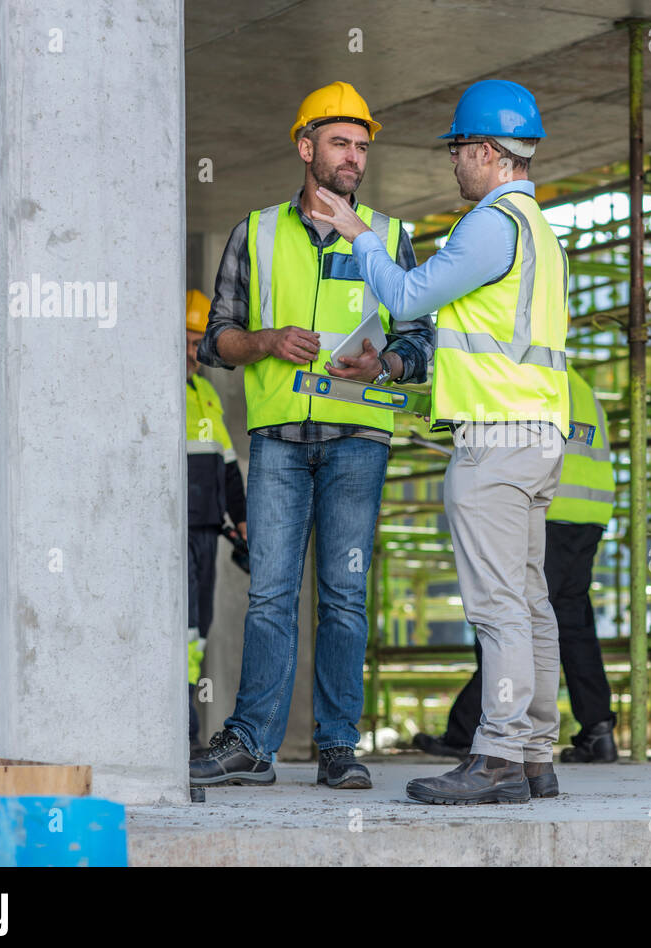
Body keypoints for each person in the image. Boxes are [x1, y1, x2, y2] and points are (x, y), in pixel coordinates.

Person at [312, 79, 570, 804]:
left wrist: (359, 236)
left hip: (495, 444)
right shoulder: (540, 234)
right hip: (534, 432)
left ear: (488, 152)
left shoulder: (492, 223)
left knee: (498, 607)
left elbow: (405, 297)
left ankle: (494, 756)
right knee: (529, 603)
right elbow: (487, 346)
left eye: (458, 150)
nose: (454, 163)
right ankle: (533, 757)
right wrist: (399, 372)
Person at [189, 81, 434, 788]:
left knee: (344, 597)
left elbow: (419, 341)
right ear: (306, 148)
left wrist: (382, 360)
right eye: (341, 143)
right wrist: (264, 340)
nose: (355, 157)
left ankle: (337, 748)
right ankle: (252, 746)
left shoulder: (388, 238)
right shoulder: (255, 232)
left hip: (359, 438)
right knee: (269, 595)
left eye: (362, 146)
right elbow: (216, 341)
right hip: (278, 440)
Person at [413, 367, 618, 767]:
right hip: (591, 513)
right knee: (570, 624)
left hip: (547, 508)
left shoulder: (531, 376)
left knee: (508, 613)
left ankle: (471, 732)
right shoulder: (581, 386)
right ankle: (598, 729)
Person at [184, 288, 247, 757]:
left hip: (206, 529)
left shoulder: (205, 393)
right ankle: (181, 732)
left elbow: (226, 463)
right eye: (187, 342)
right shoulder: (157, 393)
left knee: (198, 628)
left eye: (198, 343)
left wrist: (241, 521)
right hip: (172, 532)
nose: (194, 353)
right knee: (180, 628)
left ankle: (185, 732)